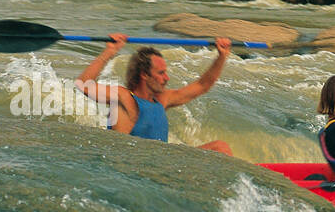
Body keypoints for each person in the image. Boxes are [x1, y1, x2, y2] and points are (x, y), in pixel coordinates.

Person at [76, 34, 234, 155]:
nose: (167, 78)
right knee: (220, 148)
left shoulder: (162, 99)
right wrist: (110, 51)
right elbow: (83, 84)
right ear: (144, 75)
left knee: (220, 148)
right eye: (161, 73)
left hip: (163, 163)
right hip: (136, 169)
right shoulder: (123, 97)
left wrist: (222, 56)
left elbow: (203, 85)